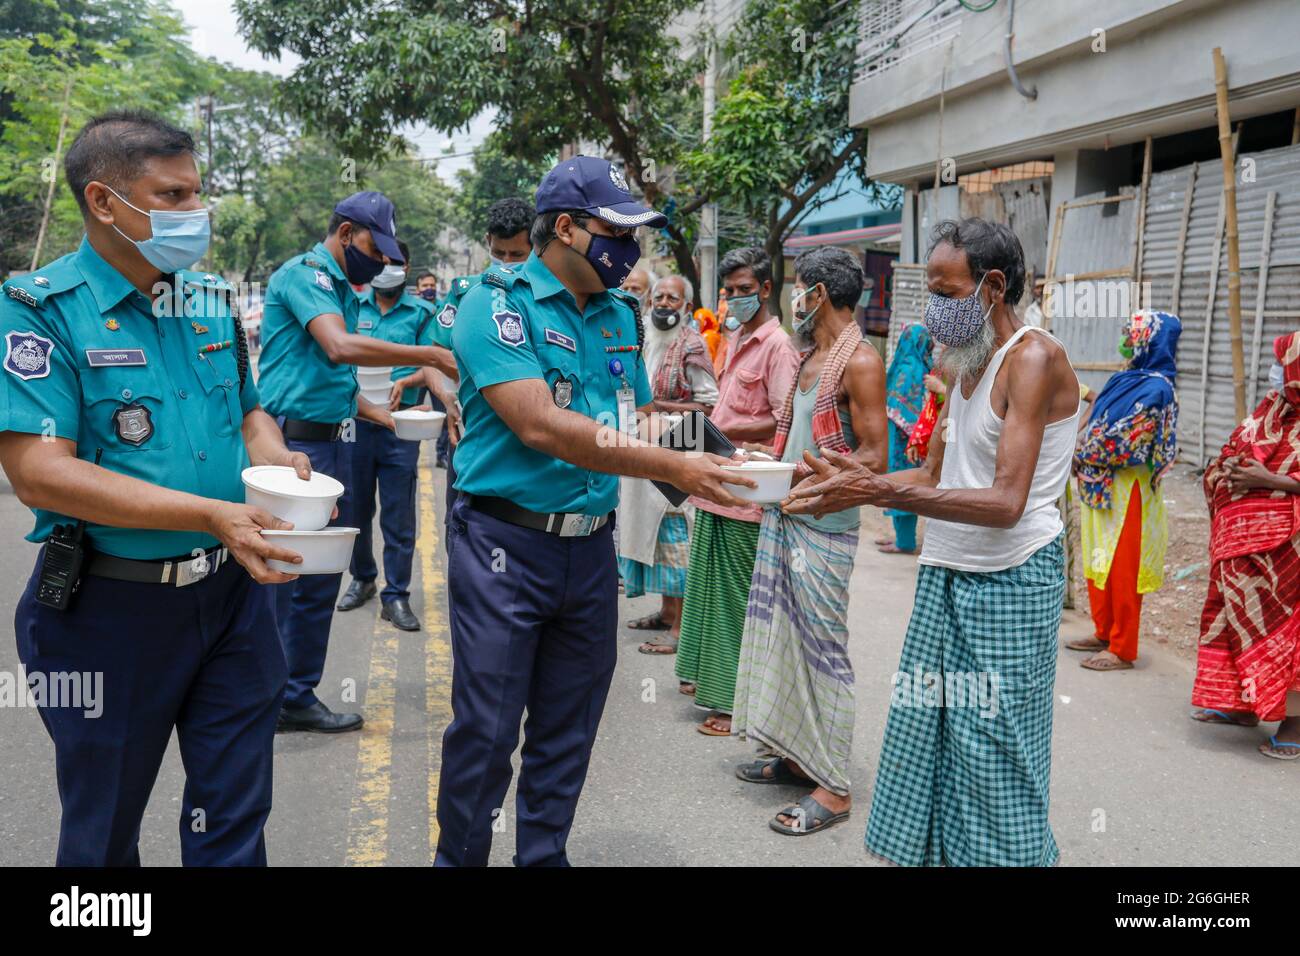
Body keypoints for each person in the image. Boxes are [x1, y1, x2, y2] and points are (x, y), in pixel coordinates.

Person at [0, 110, 312, 865]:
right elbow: (39, 472)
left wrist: (279, 464)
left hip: (232, 600)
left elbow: (248, 415)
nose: (193, 212)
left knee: (234, 818)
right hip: (110, 612)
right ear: (104, 201)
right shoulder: (38, 308)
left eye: (197, 192)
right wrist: (210, 511)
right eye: (171, 196)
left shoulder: (206, 300)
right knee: (105, 831)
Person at [435, 156, 752, 866]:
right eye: (619, 231)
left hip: (588, 552)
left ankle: (543, 855)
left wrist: (722, 460)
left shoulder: (617, 316)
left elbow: (630, 420)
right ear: (570, 229)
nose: (630, 251)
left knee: (568, 727)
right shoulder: (497, 304)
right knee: (486, 734)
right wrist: (675, 465)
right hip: (504, 548)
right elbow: (542, 426)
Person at [785, 217, 1081, 866]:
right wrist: (853, 478)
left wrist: (878, 493)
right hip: (947, 572)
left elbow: (1005, 502)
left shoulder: (1032, 358)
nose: (934, 311)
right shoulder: (964, 362)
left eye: (946, 293)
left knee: (994, 753)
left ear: (993, 286)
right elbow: (930, 474)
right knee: (933, 738)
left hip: (1010, 579)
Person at [258, 191, 455, 733]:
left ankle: (296, 694)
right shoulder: (306, 276)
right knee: (283, 575)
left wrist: (378, 415)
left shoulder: (341, 284)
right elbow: (340, 348)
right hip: (296, 449)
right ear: (347, 233)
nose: (384, 262)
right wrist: (429, 354)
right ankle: (262, 696)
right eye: (376, 247)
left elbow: (331, 380)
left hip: (337, 440)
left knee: (320, 576)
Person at [730, 246, 887, 835]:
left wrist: (802, 473)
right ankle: (798, 756)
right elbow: (794, 435)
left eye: (799, 287)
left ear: (817, 293)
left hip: (824, 527)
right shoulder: (810, 356)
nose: (793, 296)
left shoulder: (860, 362)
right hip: (787, 517)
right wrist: (768, 461)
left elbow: (874, 459)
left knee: (823, 652)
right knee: (785, 642)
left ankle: (835, 786)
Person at [675, 248, 798, 736]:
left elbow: (785, 415)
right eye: (729, 292)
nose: (736, 300)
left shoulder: (778, 346)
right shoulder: (736, 338)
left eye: (745, 291)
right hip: (718, 479)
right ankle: (706, 680)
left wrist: (732, 429)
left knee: (734, 599)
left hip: (747, 488)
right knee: (705, 588)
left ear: (766, 290)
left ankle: (730, 703)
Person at [393, 197, 534, 532]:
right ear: (488, 242)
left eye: (517, 255)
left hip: (528, 445)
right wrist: (447, 399)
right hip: (472, 437)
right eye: (499, 254)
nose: (506, 263)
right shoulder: (465, 293)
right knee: (462, 527)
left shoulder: (545, 297)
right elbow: (432, 357)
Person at [1191, 332, 1300, 759]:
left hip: (1288, 555)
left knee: (1289, 634)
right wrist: (1227, 470)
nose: (1274, 370)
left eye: (1281, 361)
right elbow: (1236, 447)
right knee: (1239, 621)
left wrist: (1267, 480)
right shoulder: (1272, 408)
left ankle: (1295, 723)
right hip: (1241, 547)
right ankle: (1240, 705)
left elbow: (1272, 473)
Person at [1067, 310, 1181, 671]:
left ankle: (1122, 646)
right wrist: (1080, 449)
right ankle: (1103, 631)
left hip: (1128, 488)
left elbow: (1130, 443)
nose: (1126, 342)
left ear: (1150, 340)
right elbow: (1098, 421)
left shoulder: (1157, 388)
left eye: (1132, 336)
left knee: (1122, 566)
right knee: (1097, 558)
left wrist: (1082, 452)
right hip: (1100, 484)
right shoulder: (1124, 379)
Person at [335, 241, 434, 631]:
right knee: (355, 509)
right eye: (383, 261)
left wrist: (409, 379)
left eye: (397, 262)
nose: (389, 268)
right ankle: (363, 578)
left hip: (400, 425)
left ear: (408, 268)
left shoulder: (422, 312)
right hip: (356, 424)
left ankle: (397, 595)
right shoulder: (350, 308)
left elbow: (435, 362)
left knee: (398, 515)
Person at [619, 274, 718, 651]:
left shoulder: (692, 343)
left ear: (686, 306)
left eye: (672, 298)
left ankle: (680, 628)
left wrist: (655, 407)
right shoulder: (643, 337)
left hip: (681, 442)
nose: (663, 304)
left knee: (675, 534)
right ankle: (664, 612)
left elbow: (708, 405)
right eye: (658, 296)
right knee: (654, 533)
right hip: (644, 444)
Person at [877, 323, 932, 555]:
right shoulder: (923, 366)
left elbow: (901, 406)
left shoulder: (909, 367)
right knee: (900, 486)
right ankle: (901, 537)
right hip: (907, 439)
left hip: (903, 441)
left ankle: (905, 542)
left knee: (902, 489)